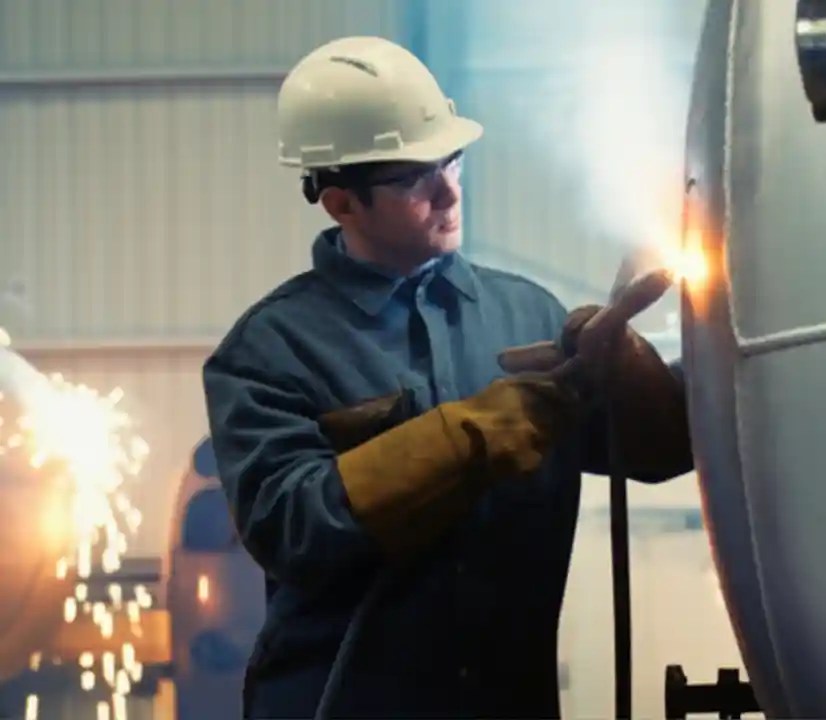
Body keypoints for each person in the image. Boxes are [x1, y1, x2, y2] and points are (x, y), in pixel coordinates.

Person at [201, 35, 692, 719]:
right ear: (341, 203)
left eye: (452, 160)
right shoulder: (270, 350)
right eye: (412, 179)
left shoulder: (527, 314)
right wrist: (468, 437)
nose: (448, 191)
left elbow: (662, 452)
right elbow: (294, 529)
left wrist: (631, 373)